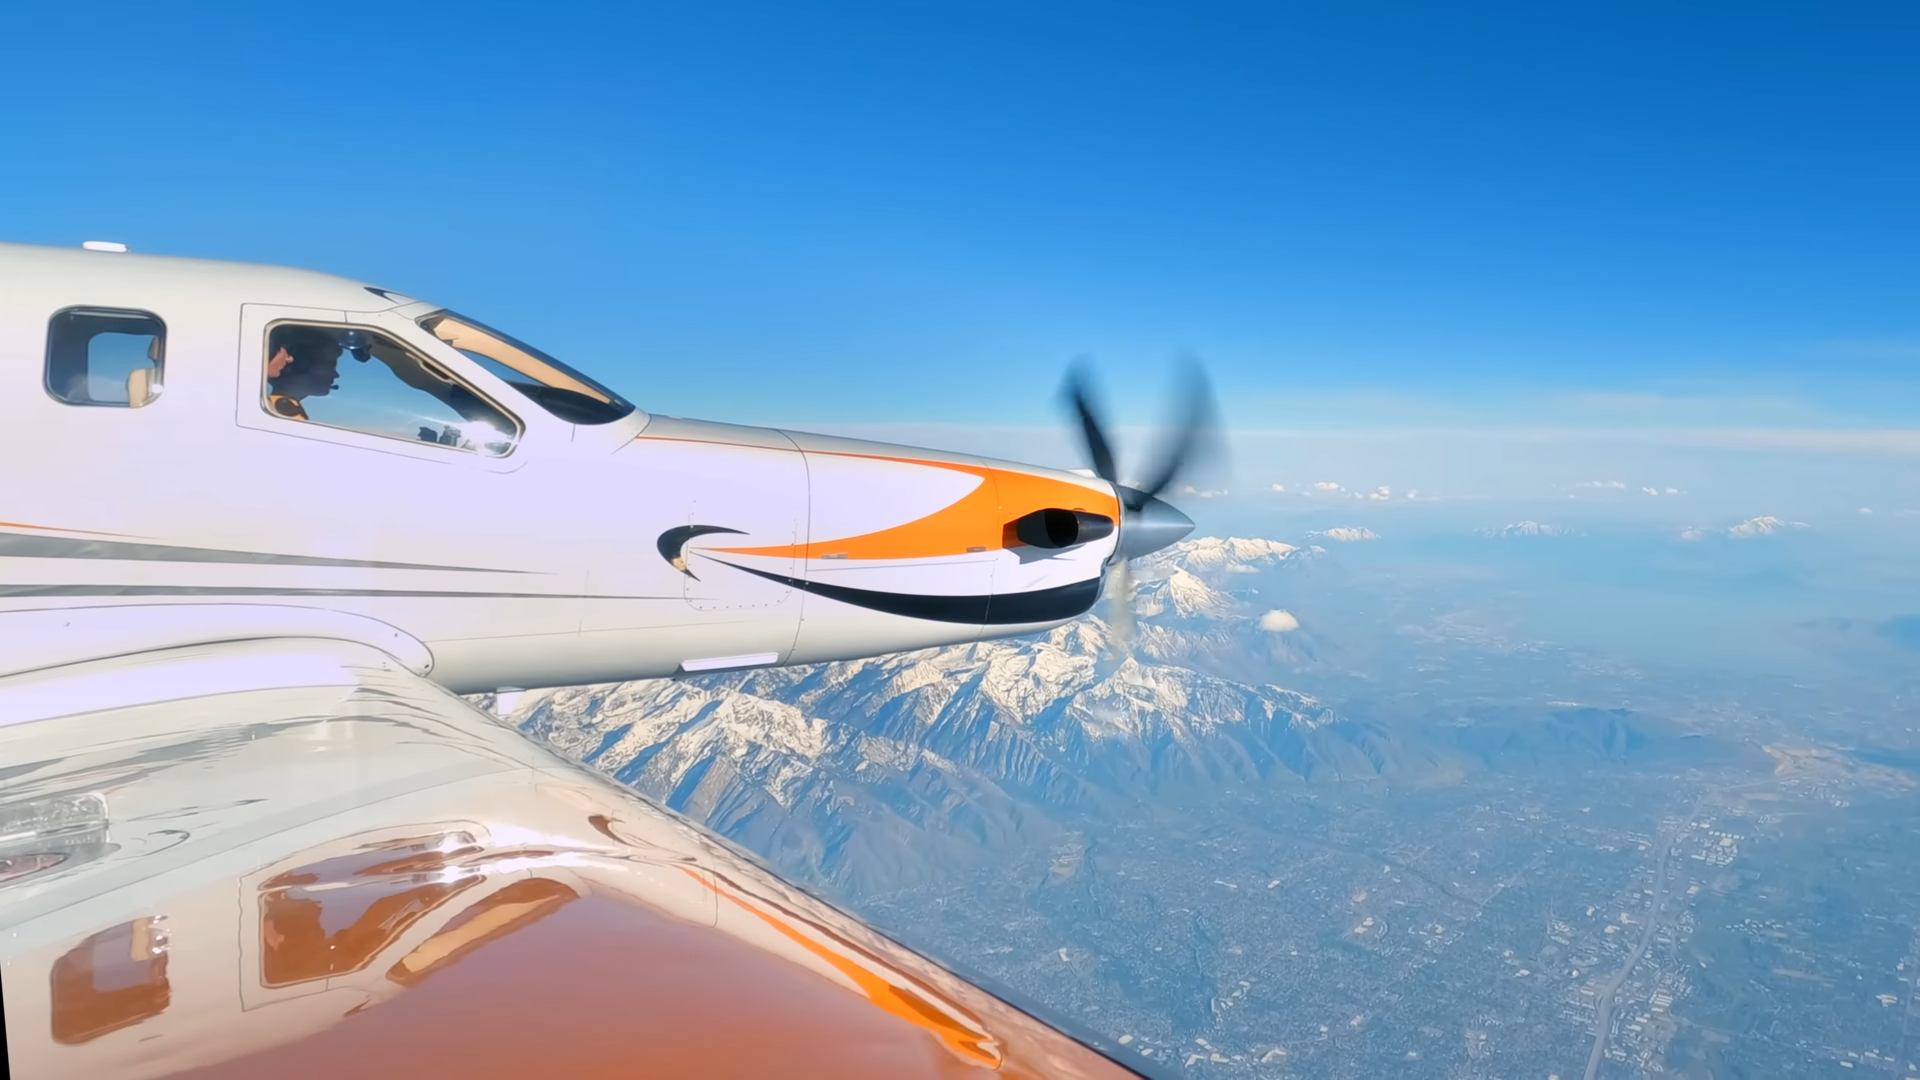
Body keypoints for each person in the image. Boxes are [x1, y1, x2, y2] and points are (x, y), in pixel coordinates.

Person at [263, 327, 344, 421]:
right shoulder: (281, 415)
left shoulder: (281, 410)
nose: (335, 374)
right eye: (329, 366)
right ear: (301, 364)